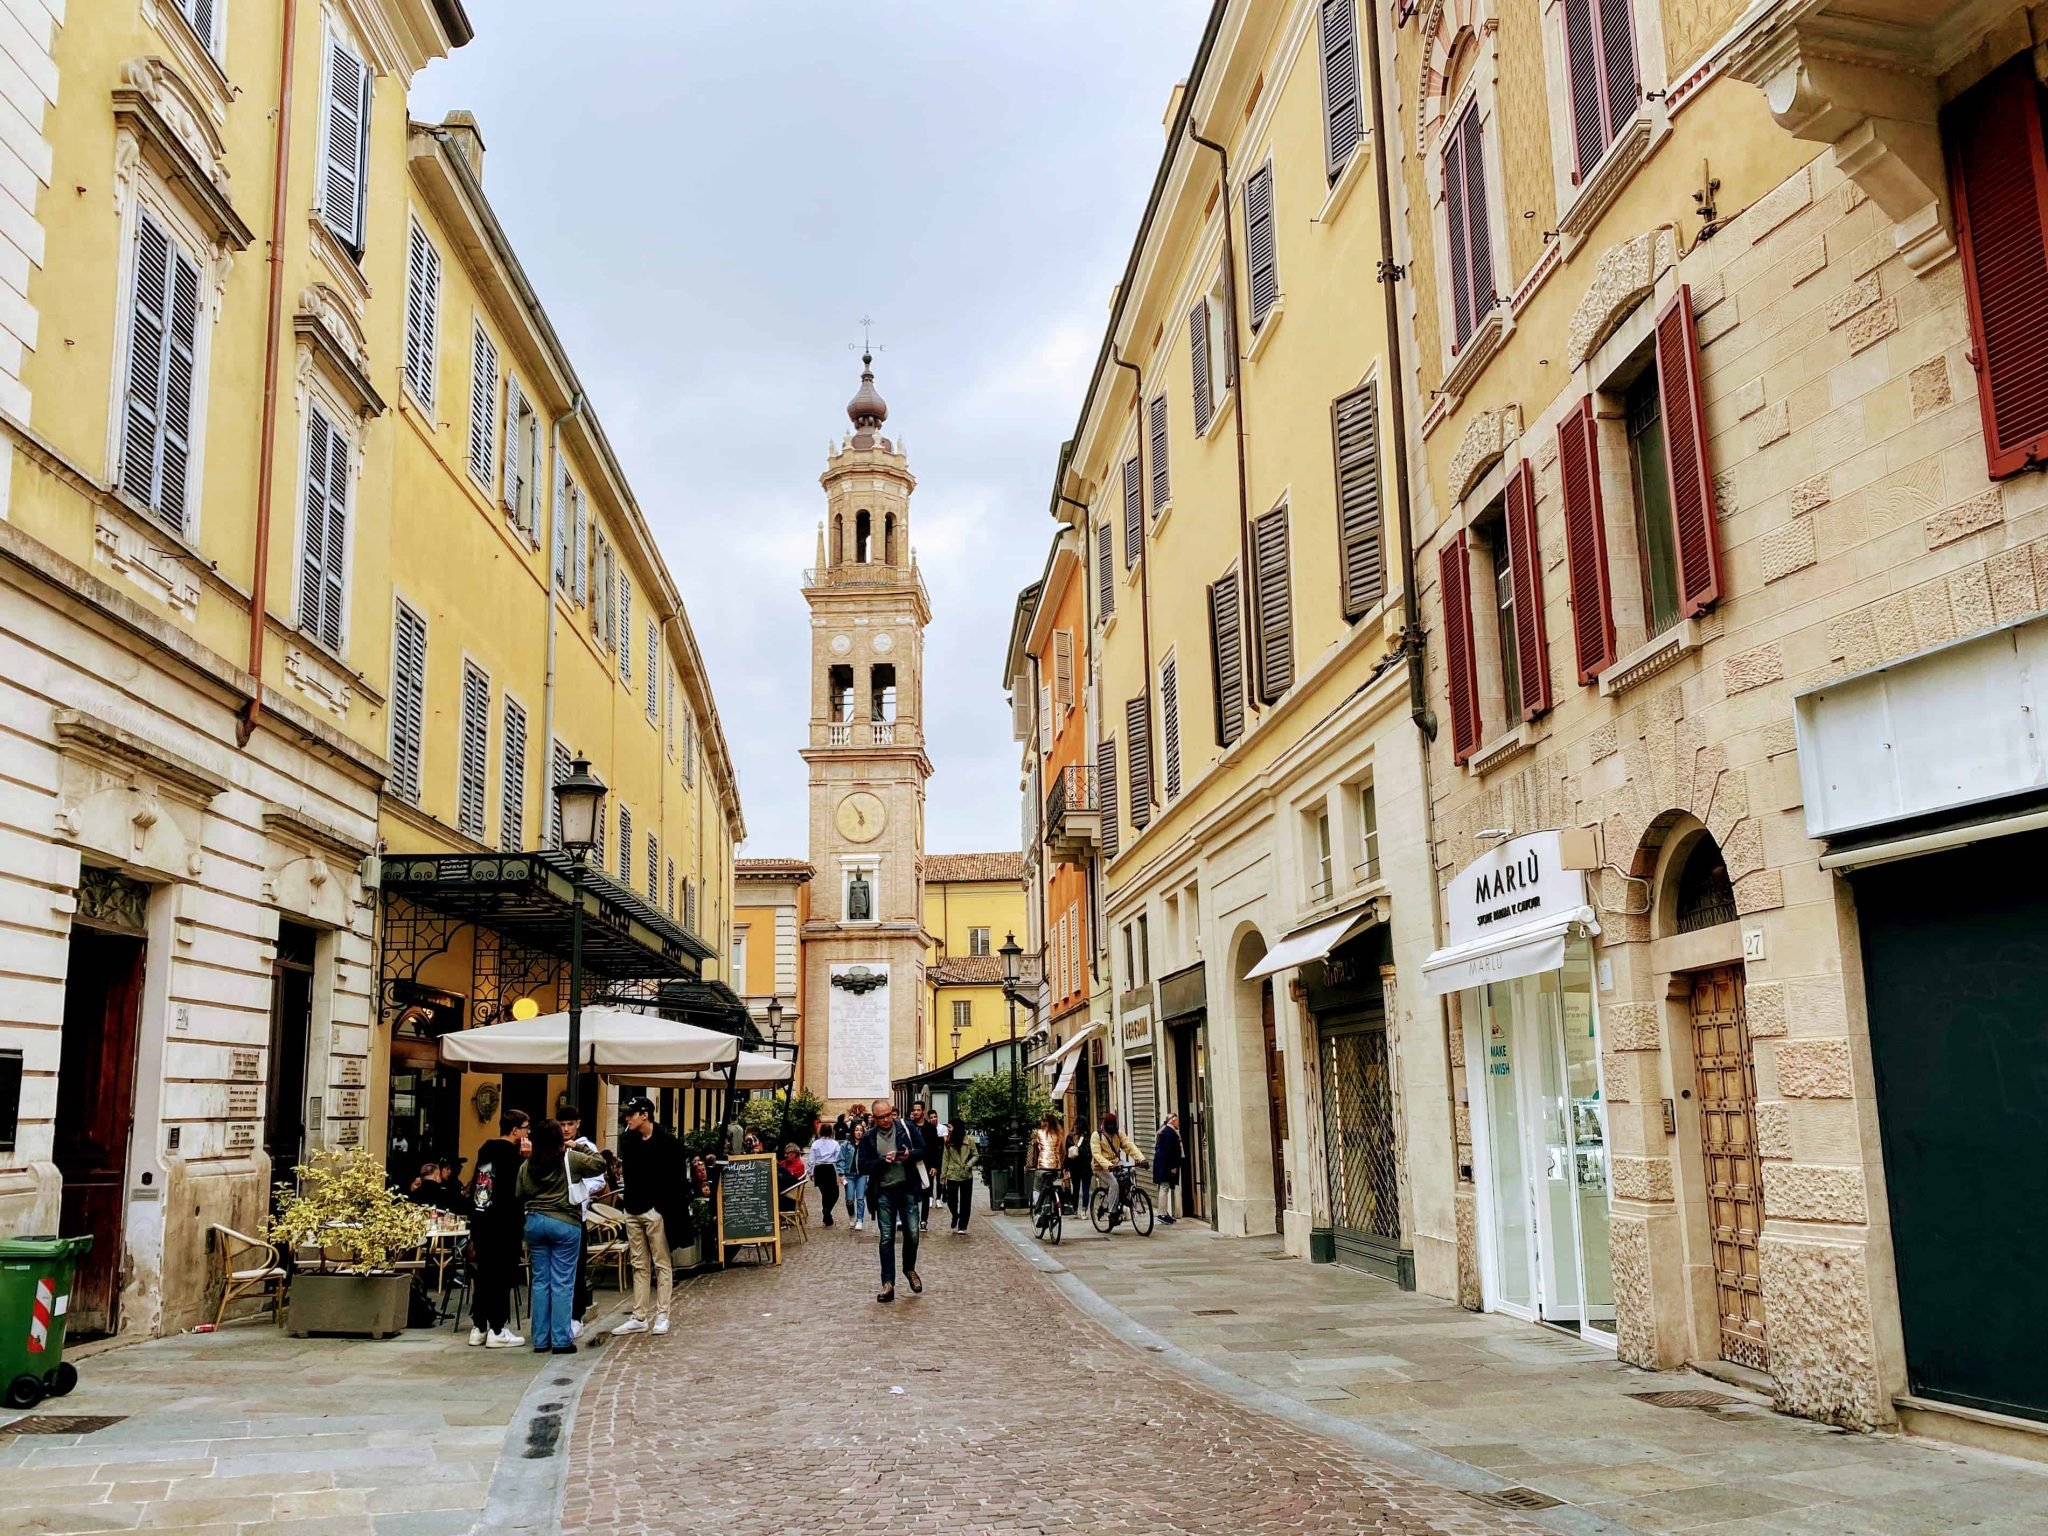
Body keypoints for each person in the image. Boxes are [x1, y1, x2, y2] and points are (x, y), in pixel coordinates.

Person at [515, 1119, 604, 1354]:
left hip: (535, 1223)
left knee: (540, 1282)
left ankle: (541, 1340)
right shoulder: (569, 1158)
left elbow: (519, 1192)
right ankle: (561, 1339)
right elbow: (600, 1164)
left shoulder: (528, 1164)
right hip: (565, 1223)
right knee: (563, 1282)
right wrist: (578, 1146)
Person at [612, 1096, 683, 1337]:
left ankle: (662, 1315)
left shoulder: (667, 1142)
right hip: (632, 1209)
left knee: (661, 1263)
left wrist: (660, 1209)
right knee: (638, 1264)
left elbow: (675, 1179)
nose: (626, 1119)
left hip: (655, 1211)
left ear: (645, 1115)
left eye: (630, 1114)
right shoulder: (628, 1140)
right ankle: (639, 1316)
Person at [467, 1110, 529, 1348]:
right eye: (525, 1128)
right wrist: (526, 1158)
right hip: (504, 1223)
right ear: (515, 1130)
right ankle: (497, 1329)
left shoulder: (486, 1151)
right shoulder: (513, 1157)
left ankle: (479, 1327)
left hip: (482, 1219)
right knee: (502, 1275)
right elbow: (520, 1188)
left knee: (483, 1274)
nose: (527, 1132)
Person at [857, 1098, 922, 1303]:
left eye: (889, 1115)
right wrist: (880, 1162)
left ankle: (909, 1269)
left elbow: (925, 1150)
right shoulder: (869, 1137)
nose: (886, 1120)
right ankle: (888, 1283)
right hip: (884, 1192)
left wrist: (907, 1155)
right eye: (881, 1117)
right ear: (874, 1118)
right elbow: (863, 1166)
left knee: (912, 1234)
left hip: (907, 1189)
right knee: (886, 1238)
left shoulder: (906, 1128)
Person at [558, 1103, 605, 1335]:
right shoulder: (553, 1146)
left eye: (570, 1124)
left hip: (579, 1216)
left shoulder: (585, 1147)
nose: (566, 1129)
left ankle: (576, 1317)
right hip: (558, 1216)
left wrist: (580, 1188)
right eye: (562, 1125)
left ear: (577, 1125)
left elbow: (600, 1179)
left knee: (576, 1269)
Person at [1092, 1112, 1142, 1231]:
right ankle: (1112, 1213)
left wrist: (1141, 1159)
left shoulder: (1119, 1134)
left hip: (1116, 1162)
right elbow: (1096, 1154)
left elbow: (1129, 1146)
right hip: (1100, 1167)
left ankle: (1125, 1195)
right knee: (1114, 1184)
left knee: (1131, 1169)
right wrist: (1108, 1165)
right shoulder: (1096, 1136)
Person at [940, 1119, 981, 1233]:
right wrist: (942, 1177)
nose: (948, 1129)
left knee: (965, 1201)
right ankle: (955, 1214)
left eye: (950, 1127)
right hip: (952, 1174)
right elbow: (945, 1159)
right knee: (951, 1200)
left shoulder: (969, 1141)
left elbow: (976, 1155)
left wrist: (968, 1165)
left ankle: (962, 1225)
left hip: (966, 1174)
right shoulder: (948, 1141)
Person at [1030, 1114, 1066, 1233]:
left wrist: (1029, 1166)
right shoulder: (1060, 1134)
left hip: (1042, 1167)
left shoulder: (1038, 1133)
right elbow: (1062, 1153)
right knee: (1054, 1186)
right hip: (1056, 1168)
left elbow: (1034, 1152)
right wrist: (1061, 1166)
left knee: (1037, 1189)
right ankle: (1056, 1206)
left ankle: (1039, 1210)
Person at [907, 1102, 939, 1225]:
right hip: (912, 1163)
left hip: (927, 1164)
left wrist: (935, 1166)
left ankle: (924, 1220)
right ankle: (914, 1218)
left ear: (923, 1112)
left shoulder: (930, 1128)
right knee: (912, 1192)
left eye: (918, 1110)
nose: (915, 1112)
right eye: (914, 1110)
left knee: (926, 1191)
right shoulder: (909, 1126)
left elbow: (935, 1148)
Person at [807, 1122, 842, 1227]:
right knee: (834, 1193)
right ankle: (827, 1211)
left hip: (819, 1169)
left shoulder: (815, 1144)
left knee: (825, 1193)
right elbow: (838, 1158)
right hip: (829, 1168)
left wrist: (810, 1172)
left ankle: (826, 1212)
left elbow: (811, 1159)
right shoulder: (835, 1144)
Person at [1152, 1112, 1184, 1225]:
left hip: (1162, 1164)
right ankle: (1162, 1214)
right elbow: (1170, 1152)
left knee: (1164, 1187)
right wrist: (1173, 1166)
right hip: (1165, 1165)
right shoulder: (1169, 1133)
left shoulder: (1165, 1131)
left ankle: (1164, 1212)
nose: (1179, 1123)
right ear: (1172, 1121)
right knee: (1164, 1187)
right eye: (1177, 1120)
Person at [838, 1123, 866, 1232]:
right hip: (849, 1175)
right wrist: (841, 1173)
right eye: (856, 1130)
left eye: (861, 1130)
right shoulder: (846, 1145)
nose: (858, 1132)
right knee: (849, 1199)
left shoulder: (866, 1145)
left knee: (860, 1198)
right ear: (853, 1132)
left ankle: (860, 1220)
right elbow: (841, 1159)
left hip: (861, 1175)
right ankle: (851, 1214)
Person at [1064, 1120, 1093, 1217]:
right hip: (1081, 1166)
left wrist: (1066, 1166)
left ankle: (1078, 1209)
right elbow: (1089, 1153)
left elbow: (1067, 1153)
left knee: (1079, 1189)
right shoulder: (1087, 1137)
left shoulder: (1072, 1137)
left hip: (1078, 1166)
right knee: (1081, 1189)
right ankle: (1080, 1209)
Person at [777, 1143, 808, 1213]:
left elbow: (786, 1177)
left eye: (787, 1153)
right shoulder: (787, 1162)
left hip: (789, 1198)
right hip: (787, 1193)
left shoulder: (798, 1165)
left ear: (794, 1154)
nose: (785, 1155)